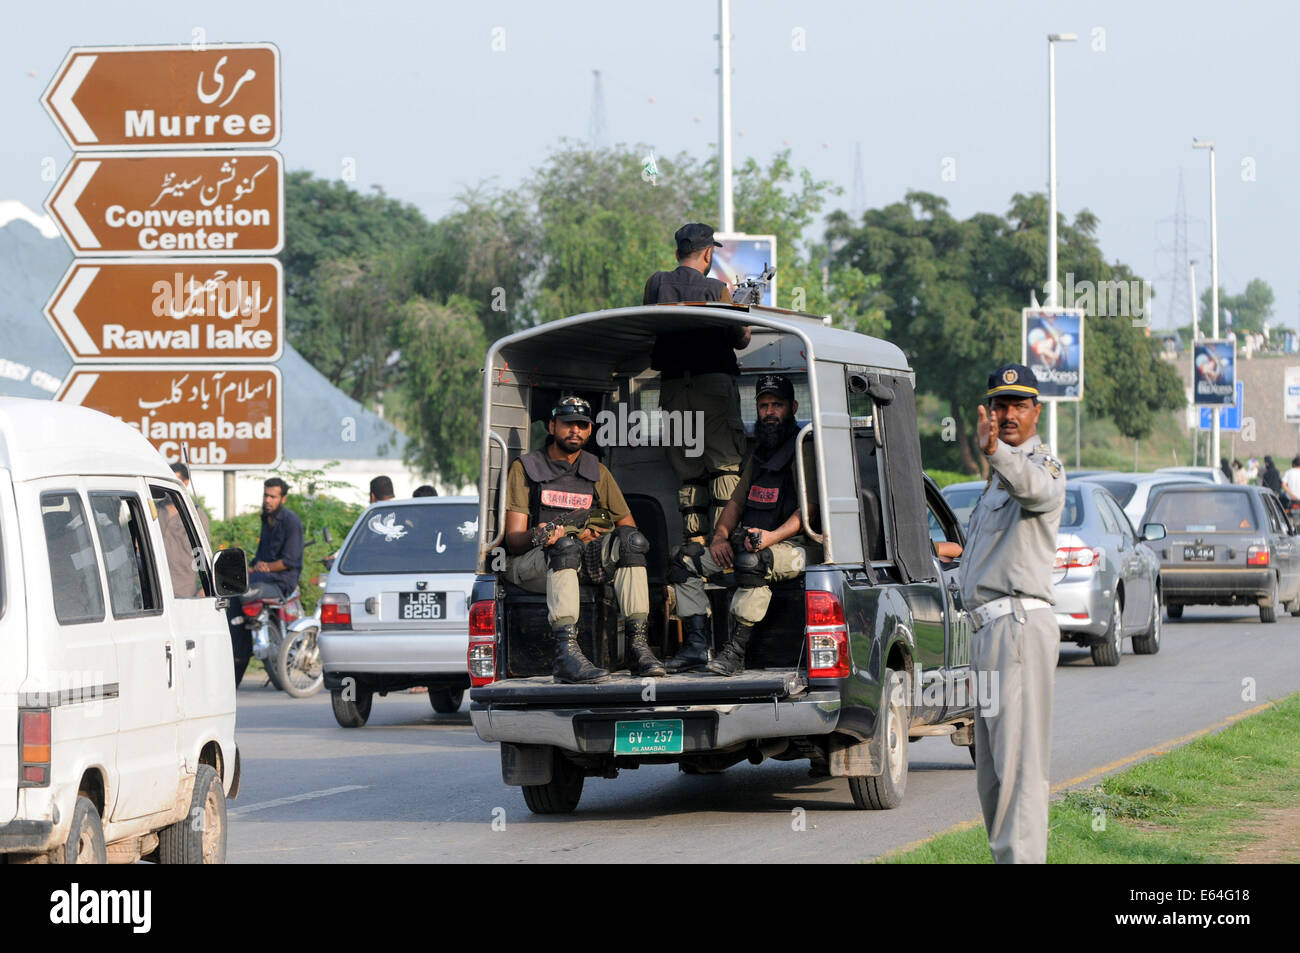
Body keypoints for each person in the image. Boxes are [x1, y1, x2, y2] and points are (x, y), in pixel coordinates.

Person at [959, 363, 1066, 864]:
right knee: (992, 776)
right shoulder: (997, 479)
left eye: (1018, 405)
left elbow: (1036, 491)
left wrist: (995, 453)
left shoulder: (1042, 466)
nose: (1007, 415)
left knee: (1019, 772)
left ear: (1035, 412)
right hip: (987, 630)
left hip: (1018, 628)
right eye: (999, 405)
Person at [501, 396, 664, 683]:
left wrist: (595, 533)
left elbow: (629, 527)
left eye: (582, 424)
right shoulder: (526, 467)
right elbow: (514, 541)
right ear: (552, 426)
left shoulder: (596, 470)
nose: (575, 430)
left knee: (630, 543)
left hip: (582, 559)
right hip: (532, 562)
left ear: (590, 430)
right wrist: (541, 534)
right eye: (567, 423)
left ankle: (638, 646)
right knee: (564, 547)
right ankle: (566, 654)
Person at [666, 374, 820, 676]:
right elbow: (735, 503)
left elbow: (809, 510)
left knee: (752, 563)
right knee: (683, 561)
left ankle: (735, 652)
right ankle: (696, 647)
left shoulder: (803, 448)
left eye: (777, 405)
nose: (769, 412)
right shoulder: (760, 453)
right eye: (763, 406)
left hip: (798, 547)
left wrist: (771, 537)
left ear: (793, 407)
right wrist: (720, 537)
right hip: (754, 542)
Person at [646, 222, 751, 542]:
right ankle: (722, 547)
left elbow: (649, 322)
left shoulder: (655, 283)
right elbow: (740, 339)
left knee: (689, 471)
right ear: (708, 254)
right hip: (713, 387)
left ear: (677, 253)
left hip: (673, 388)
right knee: (724, 465)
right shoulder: (717, 290)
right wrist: (744, 314)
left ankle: (693, 547)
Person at [226, 478, 305, 685]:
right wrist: (251, 567)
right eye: (265, 495)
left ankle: (240, 654)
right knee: (231, 590)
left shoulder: (291, 522)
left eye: (273, 496)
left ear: (283, 499)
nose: (268, 500)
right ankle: (236, 650)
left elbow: (291, 560)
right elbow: (260, 557)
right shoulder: (266, 519)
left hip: (282, 581)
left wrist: (265, 567)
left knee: (240, 594)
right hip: (263, 577)